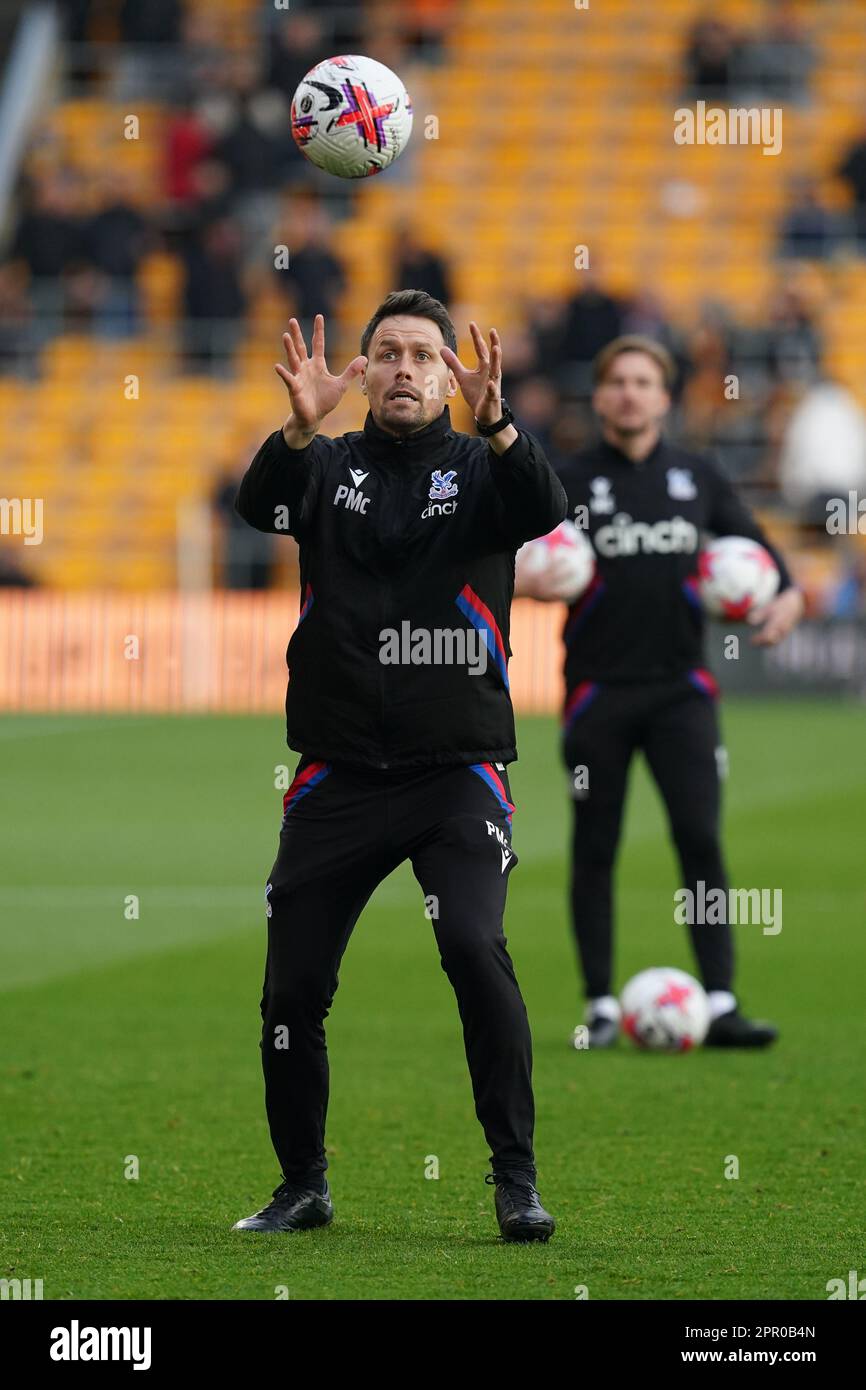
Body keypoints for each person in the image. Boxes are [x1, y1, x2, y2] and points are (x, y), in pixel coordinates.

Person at [232, 290, 567, 1240]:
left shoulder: (484, 466)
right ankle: (303, 1184)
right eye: (388, 354)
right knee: (291, 991)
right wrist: (297, 432)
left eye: (425, 354)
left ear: (449, 376)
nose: (407, 369)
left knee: (472, 945)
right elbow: (255, 506)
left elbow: (546, 507)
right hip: (337, 770)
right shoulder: (325, 465)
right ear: (363, 374)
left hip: (456, 769)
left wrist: (500, 422)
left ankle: (516, 1178)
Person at [518, 335, 803, 1049]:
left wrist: (787, 599)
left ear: (664, 396)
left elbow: (763, 556)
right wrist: (525, 578)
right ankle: (601, 1007)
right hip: (596, 694)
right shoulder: (568, 479)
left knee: (700, 838)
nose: (629, 393)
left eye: (644, 381)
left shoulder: (697, 476)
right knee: (596, 847)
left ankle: (722, 999)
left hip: (682, 692)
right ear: (602, 395)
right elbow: (508, 562)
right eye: (616, 381)